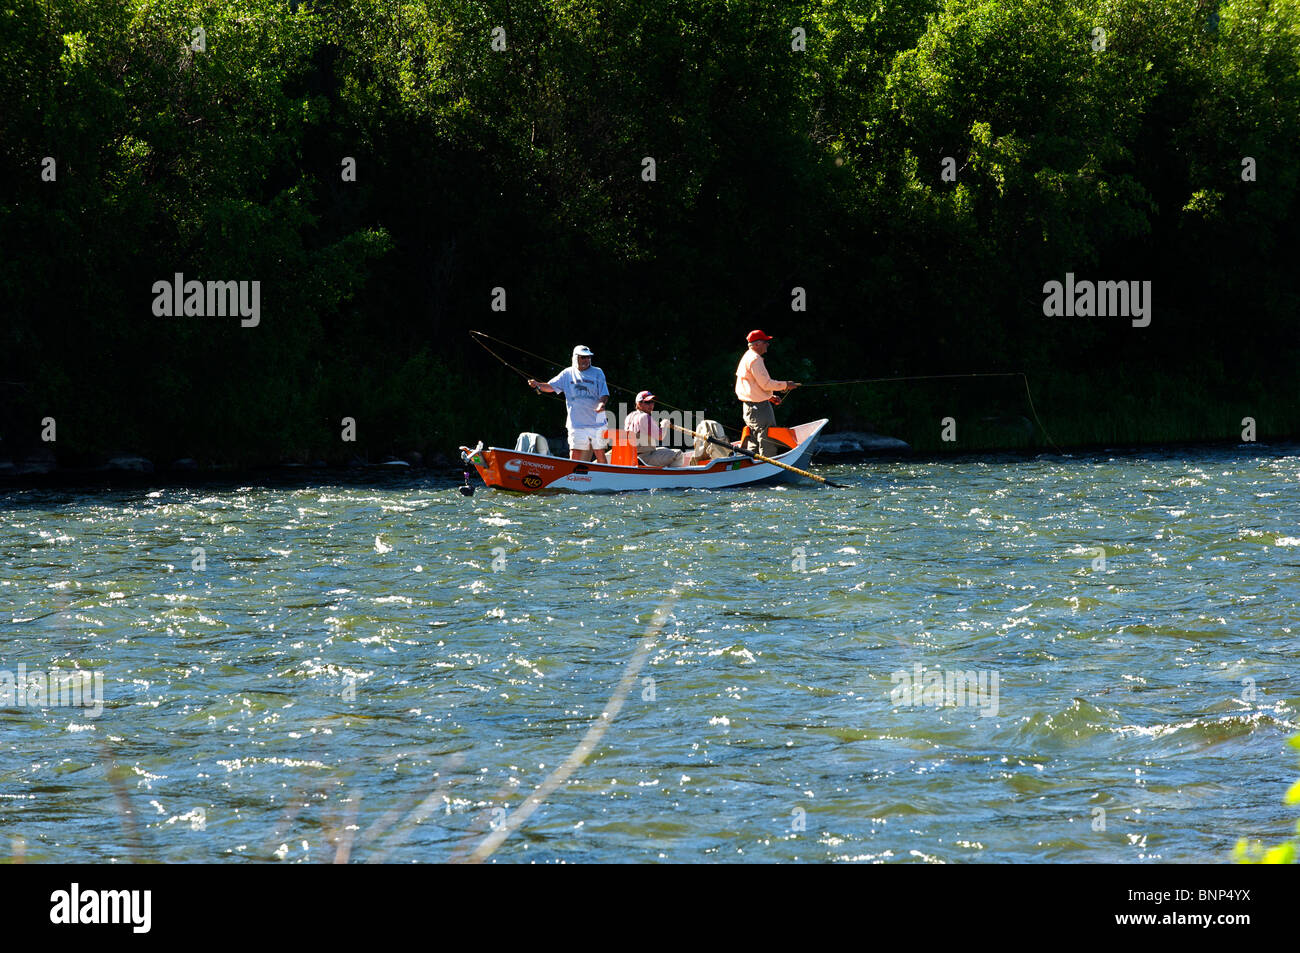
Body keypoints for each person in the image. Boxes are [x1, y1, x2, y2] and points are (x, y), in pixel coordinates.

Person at [528, 345, 610, 462]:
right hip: (576, 423)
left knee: (599, 451)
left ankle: (605, 477)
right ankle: (572, 478)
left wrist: (601, 404)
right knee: (574, 452)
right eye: (583, 357)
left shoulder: (598, 372)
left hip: (597, 422)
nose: (587, 360)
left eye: (588, 357)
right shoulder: (567, 373)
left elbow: (604, 393)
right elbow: (551, 387)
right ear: (575, 358)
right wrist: (538, 384)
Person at [735, 330, 799, 456]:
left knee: (754, 437)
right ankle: (769, 463)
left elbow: (752, 385)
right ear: (757, 344)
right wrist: (786, 385)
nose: (767, 344)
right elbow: (766, 384)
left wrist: (769, 397)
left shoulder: (747, 356)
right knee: (767, 435)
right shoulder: (755, 359)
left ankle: (753, 465)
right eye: (765, 342)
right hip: (758, 408)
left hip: (750, 406)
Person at [624, 391, 685, 467]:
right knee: (679, 454)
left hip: (633, 456)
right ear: (639, 404)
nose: (651, 405)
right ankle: (670, 478)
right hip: (645, 457)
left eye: (652, 402)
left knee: (663, 448)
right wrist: (664, 424)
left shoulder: (629, 416)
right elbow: (660, 436)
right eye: (648, 402)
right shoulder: (645, 416)